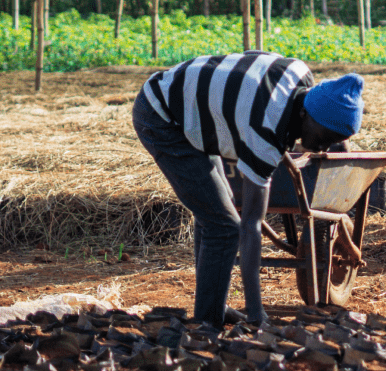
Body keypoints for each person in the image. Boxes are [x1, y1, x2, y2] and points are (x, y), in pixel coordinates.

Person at [133, 52, 365, 326]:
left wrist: (342, 154)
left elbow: (328, 123)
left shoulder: (303, 79)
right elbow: (252, 225)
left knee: (216, 210)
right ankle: (207, 324)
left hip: (194, 103)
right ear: (304, 113)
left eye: (335, 141)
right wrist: (257, 311)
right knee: (224, 225)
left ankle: (214, 305)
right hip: (162, 116)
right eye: (325, 138)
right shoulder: (267, 127)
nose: (325, 147)